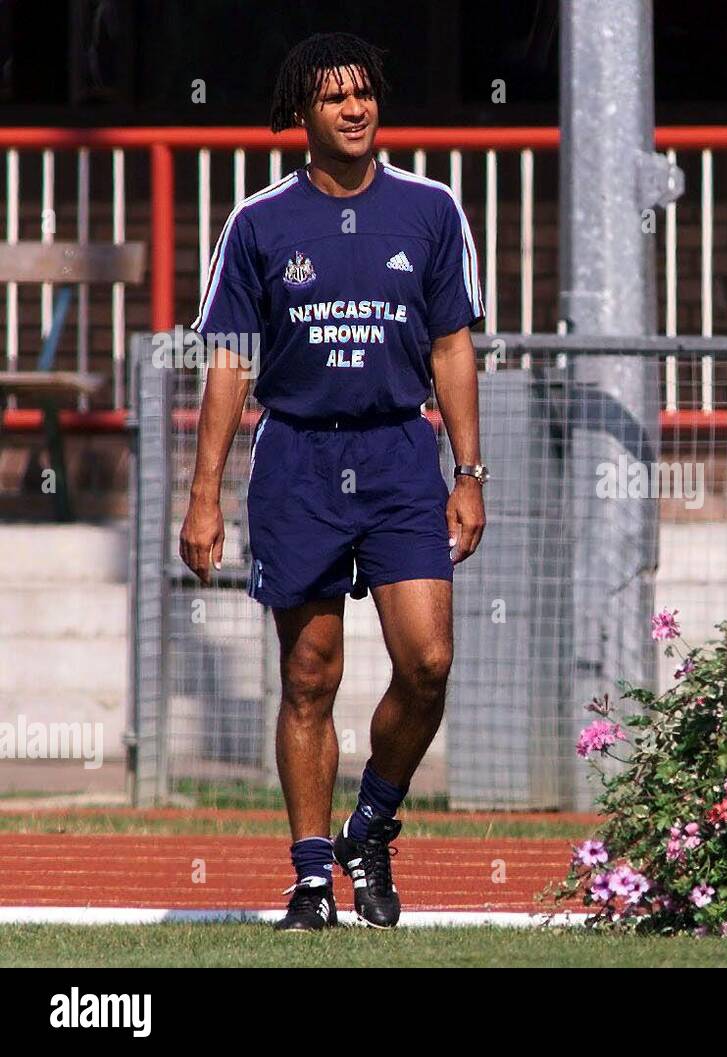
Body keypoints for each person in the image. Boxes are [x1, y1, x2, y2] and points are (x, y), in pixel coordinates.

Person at [179, 31, 488, 931]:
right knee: (310, 675)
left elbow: (451, 344)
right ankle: (312, 879)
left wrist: (467, 471)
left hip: (399, 455)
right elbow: (232, 361)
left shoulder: (431, 210)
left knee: (427, 662)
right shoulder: (259, 223)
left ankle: (372, 823)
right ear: (300, 115)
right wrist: (203, 495)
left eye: (365, 94)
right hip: (299, 462)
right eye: (333, 97)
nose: (354, 109)